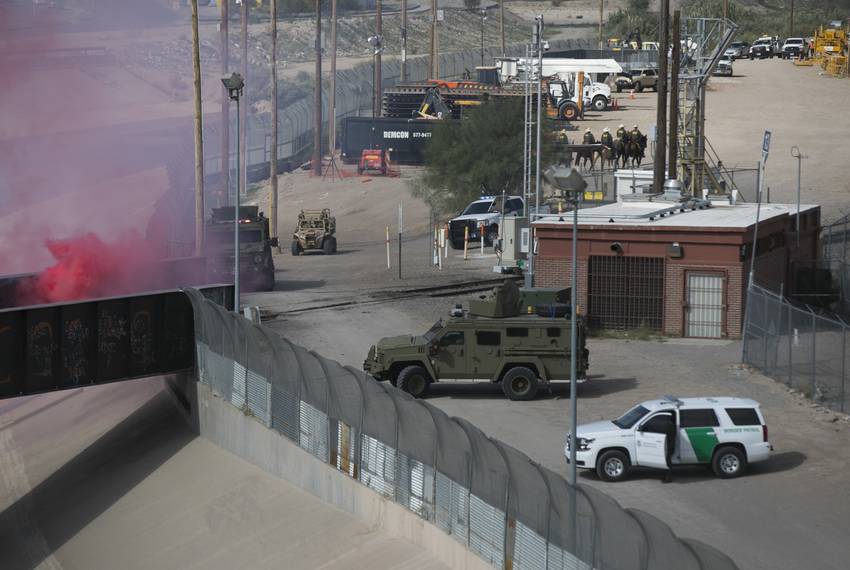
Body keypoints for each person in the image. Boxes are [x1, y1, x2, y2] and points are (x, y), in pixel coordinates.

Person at [662, 413, 677, 483]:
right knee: (667, 461)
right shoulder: (672, 425)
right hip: (669, 445)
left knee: (668, 462)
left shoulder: (670, 426)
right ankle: (666, 476)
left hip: (669, 446)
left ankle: (669, 477)